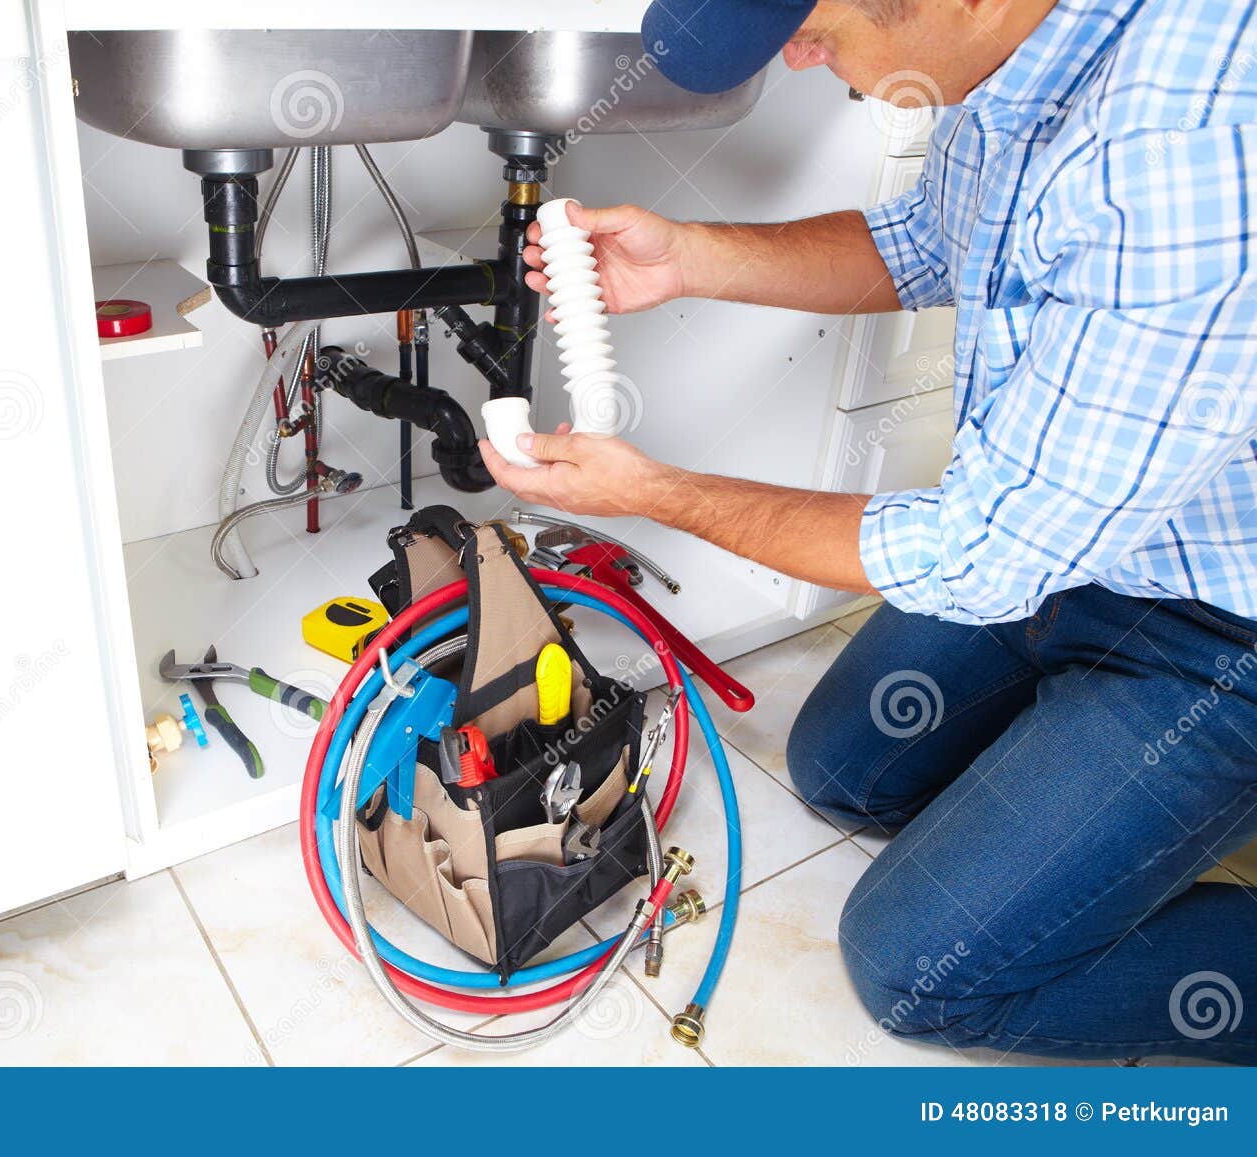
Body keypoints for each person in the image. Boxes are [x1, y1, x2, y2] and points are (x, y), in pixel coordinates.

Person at [478, 0, 1257, 1062]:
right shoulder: (1013, 52)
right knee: (847, 765)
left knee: (919, 972)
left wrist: (656, 492)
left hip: (1221, 627)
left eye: (813, 20)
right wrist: (688, 257)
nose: (797, 56)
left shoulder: (1189, 157)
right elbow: (927, 244)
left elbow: (980, 551)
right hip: (1086, 542)